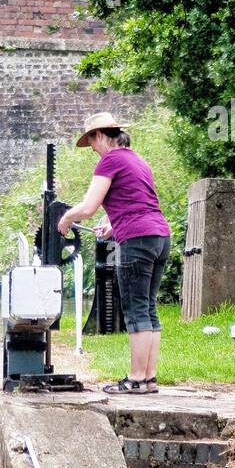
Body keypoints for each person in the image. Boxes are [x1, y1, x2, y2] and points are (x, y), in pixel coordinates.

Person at [56, 112, 171, 395]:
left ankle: (134, 379)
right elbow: (139, 200)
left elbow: (88, 207)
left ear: (101, 136)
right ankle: (149, 379)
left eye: (92, 142)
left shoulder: (109, 160)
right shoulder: (137, 159)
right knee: (149, 308)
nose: (92, 149)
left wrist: (66, 218)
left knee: (134, 310)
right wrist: (111, 224)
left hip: (137, 240)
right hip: (160, 236)